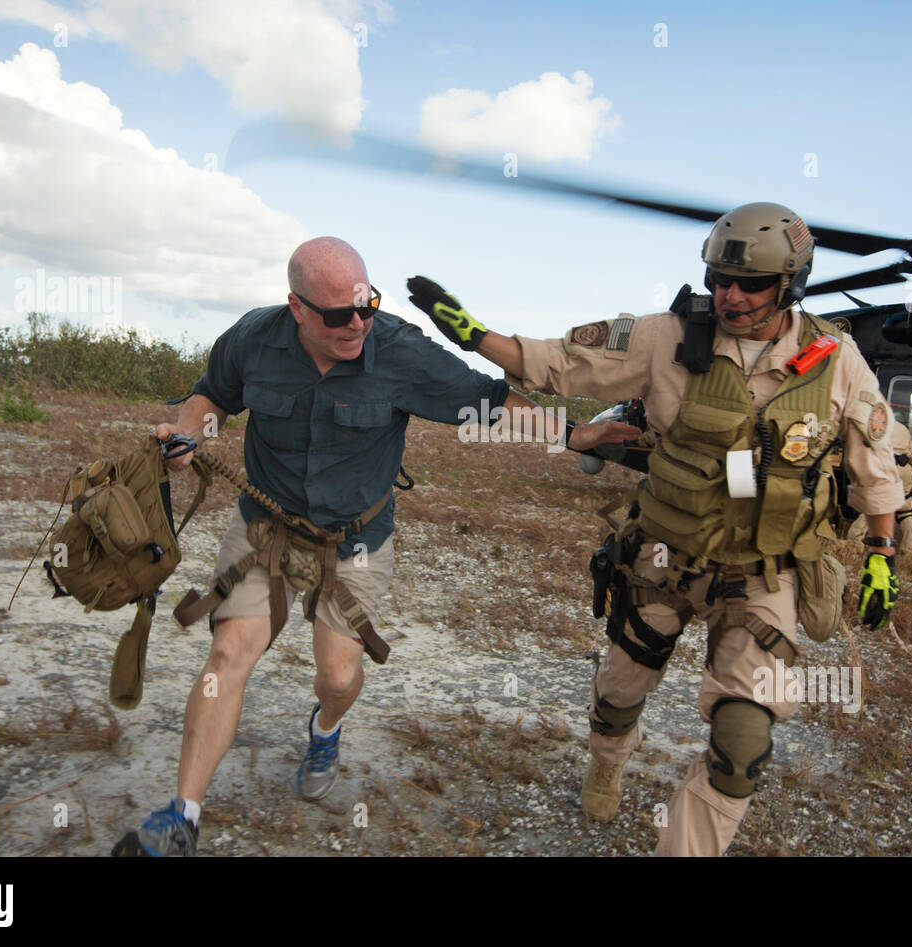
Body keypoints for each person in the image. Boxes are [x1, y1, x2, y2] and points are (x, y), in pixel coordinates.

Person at [408, 202, 905, 857]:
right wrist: (472, 333)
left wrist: (881, 552)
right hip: (664, 558)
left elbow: (877, 461)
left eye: (748, 283)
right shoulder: (667, 337)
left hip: (765, 572)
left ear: (789, 284)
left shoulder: (834, 358)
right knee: (618, 695)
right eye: (718, 278)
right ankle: (608, 757)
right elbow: (561, 362)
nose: (729, 293)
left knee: (742, 744)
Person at [113, 236, 635, 856]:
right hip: (266, 528)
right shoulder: (254, 337)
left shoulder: (399, 349)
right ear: (297, 307)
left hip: (356, 538)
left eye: (367, 305)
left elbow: (489, 404)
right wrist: (188, 435)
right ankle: (182, 819)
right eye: (338, 314)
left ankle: (326, 727)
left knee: (338, 675)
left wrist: (574, 435)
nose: (357, 324)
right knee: (229, 654)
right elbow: (212, 399)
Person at [845, 419, 912, 555]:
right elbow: (910, 453)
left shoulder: (875, 427)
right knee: (905, 510)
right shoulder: (903, 428)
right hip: (905, 470)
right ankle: (909, 547)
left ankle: (854, 543)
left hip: (886, 468)